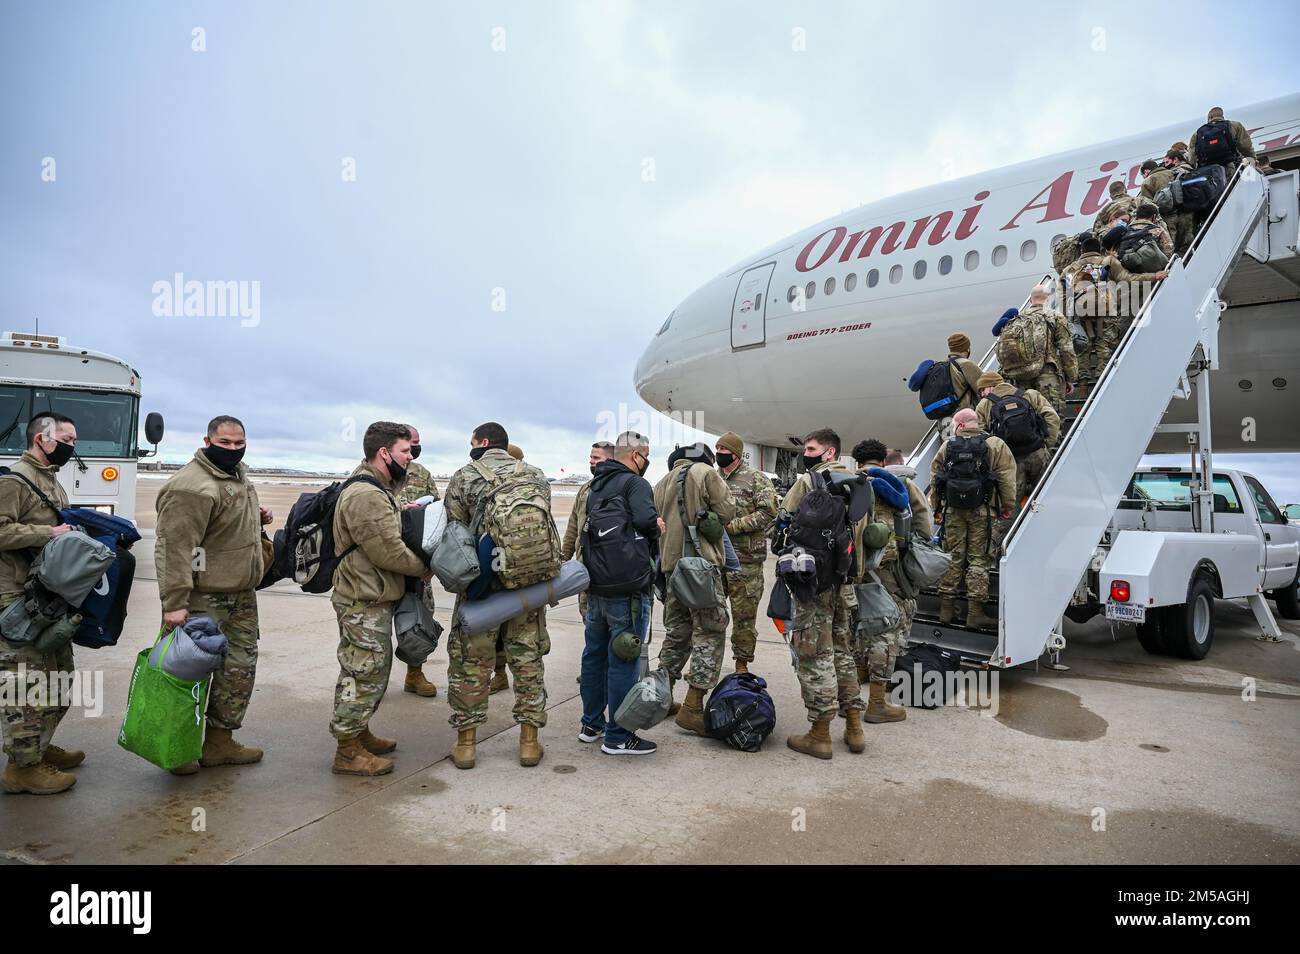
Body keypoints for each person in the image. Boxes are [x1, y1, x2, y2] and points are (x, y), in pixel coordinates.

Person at [155, 415, 270, 776]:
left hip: (240, 596)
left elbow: (221, 527)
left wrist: (256, 519)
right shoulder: (192, 486)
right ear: (207, 441)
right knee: (187, 675)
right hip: (203, 599)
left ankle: (219, 743)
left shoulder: (236, 477)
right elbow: (174, 548)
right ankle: (177, 748)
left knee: (237, 671)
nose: (233, 450)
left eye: (239, 443)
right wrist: (175, 604)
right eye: (225, 444)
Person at [444, 423, 555, 769]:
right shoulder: (535, 475)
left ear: (483, 443)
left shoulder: (464, 477)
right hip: (527, 586)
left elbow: (455, 532)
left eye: (472, 442)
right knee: (527, 662)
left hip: (483, 588)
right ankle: (529, 743)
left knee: (471, 664)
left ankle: (466, 745)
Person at [328, 422, 429, 776]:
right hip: (362, 598)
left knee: (372, 669)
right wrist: (424, 568)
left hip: (372, 594)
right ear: (384, 453)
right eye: (405, 451)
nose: (410, 457)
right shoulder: (366, 495)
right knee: (361, 672)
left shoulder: (378, 487)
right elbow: (388, 552)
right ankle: (347, 750)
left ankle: (359, 732)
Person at [0, 413, 81, 795]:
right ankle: (23, 768)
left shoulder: (48, 478)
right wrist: (48, 532)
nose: (71, 446)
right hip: (15, 596)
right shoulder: (15, 479)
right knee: (28, 684)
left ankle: (40, 746)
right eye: (66, 438)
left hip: (44, 595)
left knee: (60, 674)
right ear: (41, 438)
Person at [779, 429, 865, 758]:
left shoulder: (808, 482)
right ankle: (854, 728)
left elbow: (784, 522)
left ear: (829, 453)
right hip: (845, 583)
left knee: (815, 657)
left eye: (812, 448)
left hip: (813, 584)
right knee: (843, 653)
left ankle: (820, 733)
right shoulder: (860, 483)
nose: (807, 454)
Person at [578, 431, 660, 755]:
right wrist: (657, 525)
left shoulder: (596, 485)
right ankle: (619, 735)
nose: (646, 461)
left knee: (594, 656)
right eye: (646, 455)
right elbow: (644, 520)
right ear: (636, 454)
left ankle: (590, 724)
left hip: (597, 586)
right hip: (628, 590)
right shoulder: (636, 484)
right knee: (623, 660)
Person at [654, 441, 735, 734]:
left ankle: (660, 699)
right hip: (699, 568)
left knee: (677, 634)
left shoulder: (660, 483)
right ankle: (692, 706)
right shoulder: (705, 473)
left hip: (670, 569)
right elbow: (727, 512)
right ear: (707, 458)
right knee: (710, 632)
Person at [849, 439, 916, 725]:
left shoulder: (846, 484)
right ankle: (877, 702)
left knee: (853, 624)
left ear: (857, 462)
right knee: (886, 629)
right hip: (885, 569)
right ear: (883, 461)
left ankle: (850, 694)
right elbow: (919, 523)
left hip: (850, 566)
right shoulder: (896, 485)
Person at [930, 409, 1016, 629]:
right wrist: (1007, 506)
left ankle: (946, 610)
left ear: (959, 425)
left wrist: (936, 507)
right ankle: (975, 614)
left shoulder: (948, 445)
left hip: (952, 511)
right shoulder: (995, 444)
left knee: (953, 556)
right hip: (983, 511)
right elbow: (1007, 478)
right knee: (979, 559)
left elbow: (936, 478)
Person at [715, 431, 777, 674]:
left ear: (736, 454)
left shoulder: (756, 479)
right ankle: (711, 663)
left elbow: (769, 513)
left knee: (744, 619)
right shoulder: (711, 478)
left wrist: (734, 527)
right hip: (717, 559)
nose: (719, 454)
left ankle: (741, 667)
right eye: (717, 450)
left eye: (724, 450)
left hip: (745, 562)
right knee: (712, 617)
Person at [974, 371, 1059, 545]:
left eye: (982, 389)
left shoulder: (984, 405)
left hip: (1010, 463)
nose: (982, 394)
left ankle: (1000, 550)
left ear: (991, 386)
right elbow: (1052, 417)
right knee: (1045, 499)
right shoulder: (1029, 394)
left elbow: (979, 438)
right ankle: (1048, 542)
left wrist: (996, 459)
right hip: (1038, 455)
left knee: (1008, 509)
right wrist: (1046, 445)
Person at [394, 425, 440, 699]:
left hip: (417, 565)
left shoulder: (422, 474)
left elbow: (436, 509)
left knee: (420, 622)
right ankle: (372, 681)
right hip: (383, 562)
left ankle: (415, 673)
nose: (415, 450)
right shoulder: (373, 474)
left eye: (418, 445)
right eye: (411, 444)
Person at [563, 441, 615, 685]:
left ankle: (609, 670)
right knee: (589, 622)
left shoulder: (617, 487)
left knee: (611, 625)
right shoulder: (585, 489)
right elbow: (573, 526)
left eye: (597, 458)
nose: (592, 462)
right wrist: (563, 559)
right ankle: (594, 670)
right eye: (591, 458)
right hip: (584, 572)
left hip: (609, 570)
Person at [999, 284, 1078, 418]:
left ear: (1031, 301)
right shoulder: (1055, 317)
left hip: (1020, 379)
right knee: (1051, 418)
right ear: (1048, 299)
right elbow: (1066, 349)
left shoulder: (1015, 320)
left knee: (1027, 418)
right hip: (1048, 377)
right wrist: (1071, 377)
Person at [1140, 153, 1195, 256]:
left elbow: (1148, 205)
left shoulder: (1147, 182)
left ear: (1146, 171)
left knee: (1171, 245)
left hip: (1167, 217)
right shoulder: (1173, 172)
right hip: (1184, 211)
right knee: (1187, 239)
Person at [1187, 106, 1256, 174]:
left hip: (1209, 171)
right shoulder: (1234, 126)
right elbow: (1246, 147)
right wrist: (1253, 159)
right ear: (1222, 116)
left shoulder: (1197, 133)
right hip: (1231, 166)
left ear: (1210, 118)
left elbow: (1192, 158)